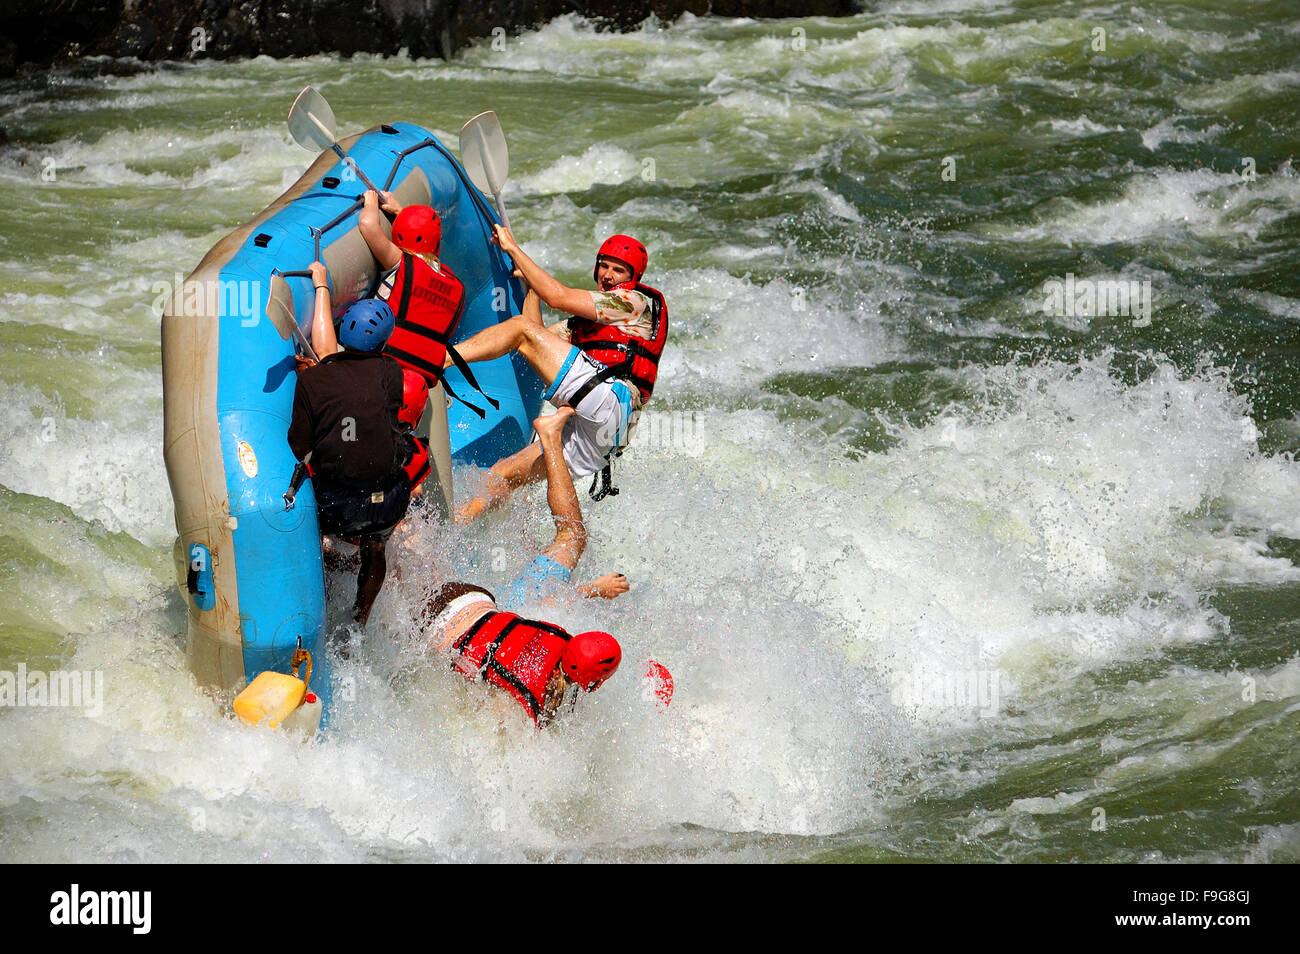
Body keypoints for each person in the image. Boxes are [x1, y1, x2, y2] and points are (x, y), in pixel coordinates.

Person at [418, 407, 628, 726]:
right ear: (592, 685)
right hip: (433, 626)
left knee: (572, 536)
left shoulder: (558, 637)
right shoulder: (526, 702)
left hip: (476, 601)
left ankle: (547, 441)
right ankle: (545, 442)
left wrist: (595, 589)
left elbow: (549, 603)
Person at [448, 229, 669, 521]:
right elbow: (534, 337)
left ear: (632, 277)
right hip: (605, 434)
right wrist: (531, 290)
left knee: (519, 330)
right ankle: (457, 523)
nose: (608, 274)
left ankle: (441, 359)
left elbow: (556, 298)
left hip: (608, 402)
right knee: (503, 474)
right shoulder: (583, 325)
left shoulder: (633, 303)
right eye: (604, 265)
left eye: (619, 270)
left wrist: (514, 249)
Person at [287, 260, 415, 626]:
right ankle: (361, 615)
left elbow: (299, 444)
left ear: (344, 332)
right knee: (376, 544)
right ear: (383, 341)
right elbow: (357, 390)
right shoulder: (392, 372)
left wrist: (312, 380)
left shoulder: (312, 382)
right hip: (388, 502)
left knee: (317, 527)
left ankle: (321, 595)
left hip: (336, 508)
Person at [357, 189, 496, 417]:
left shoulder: (400, 262)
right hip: (419, 380)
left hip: (383, 364)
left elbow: (368, 225)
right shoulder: (453, 283)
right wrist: (402, 212)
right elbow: (422, 244)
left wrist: (371, 201)